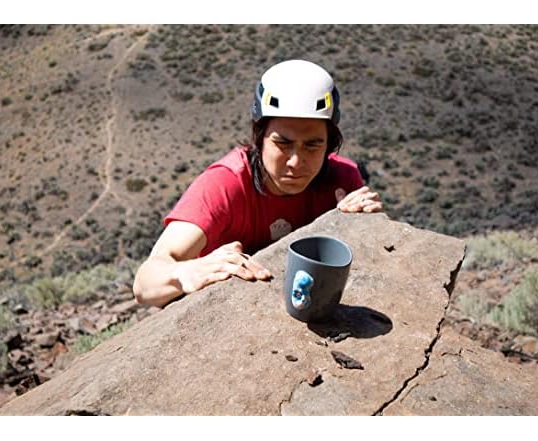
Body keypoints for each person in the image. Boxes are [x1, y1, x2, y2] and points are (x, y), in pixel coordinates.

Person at [133, 59, 382, 307]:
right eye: (282, 143)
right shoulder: (225, 185)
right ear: (259, 137)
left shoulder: (342, 180)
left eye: (313, 145)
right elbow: (145, 284)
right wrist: (187, 273)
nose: (296, 161)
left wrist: (355, 224)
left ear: (329, 143)